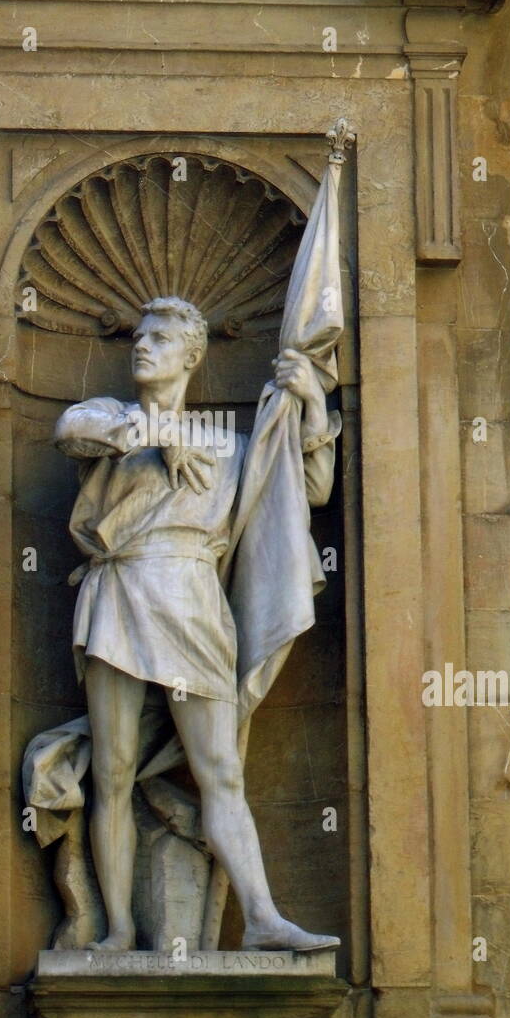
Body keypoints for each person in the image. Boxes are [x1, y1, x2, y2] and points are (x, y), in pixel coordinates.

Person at [54, 296, 340, 952]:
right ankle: (121, 928)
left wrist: (312, 406)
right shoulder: (112, 421)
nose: (142, 346)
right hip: (120, 592)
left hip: (193, 598)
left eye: (159, 337)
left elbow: (309, 491)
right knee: (115, 769)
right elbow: (70, 430)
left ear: (190, 355)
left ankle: (263, 918)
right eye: (139, 335)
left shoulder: (230, 448)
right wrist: (158, 433)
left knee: (220, 768)